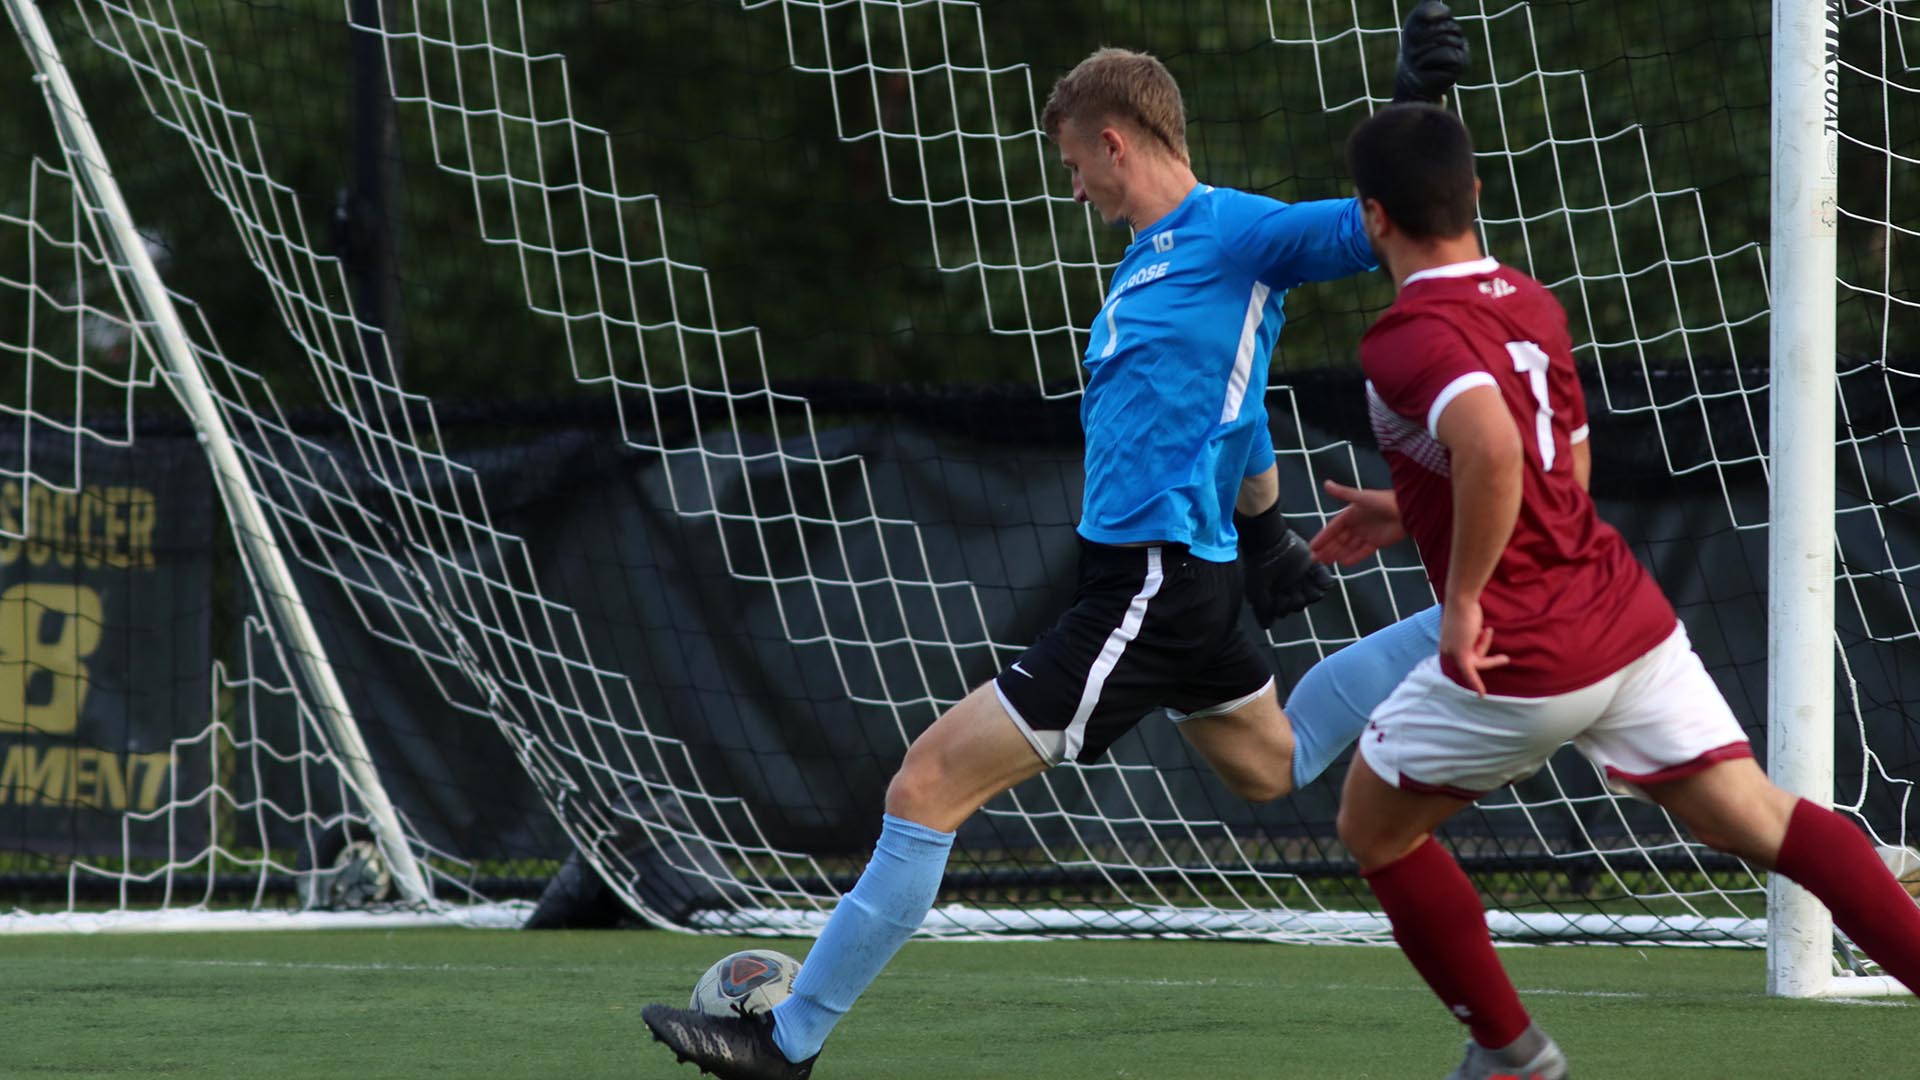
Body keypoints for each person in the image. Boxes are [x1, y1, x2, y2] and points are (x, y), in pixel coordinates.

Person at [640, 12, 1471, 1079]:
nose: (1074, 187)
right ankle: (1457, 627)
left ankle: (786, 1040)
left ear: (1116, 140)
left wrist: (1415, 103)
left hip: (1152, 585)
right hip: (1179, 581)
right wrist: (1264, 538)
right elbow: (1243, 408)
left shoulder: (1241, 232)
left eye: (1076, 164)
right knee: (1274, 764)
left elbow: (1390, 219)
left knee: (925, 782)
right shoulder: (1139, 271)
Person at [1330, 102, 1920, 1080]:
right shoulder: (1531, 301)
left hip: (1526, 648)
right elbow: (1560, 458)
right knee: (1755, 819)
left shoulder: (1403, 336)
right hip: (1626, 621)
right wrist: (1413, 506)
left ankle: (1510, 1054)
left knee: (1371, 824)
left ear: (1372, 219)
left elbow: (1487, 443)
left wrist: (1467, 595)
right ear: (1474, 194)